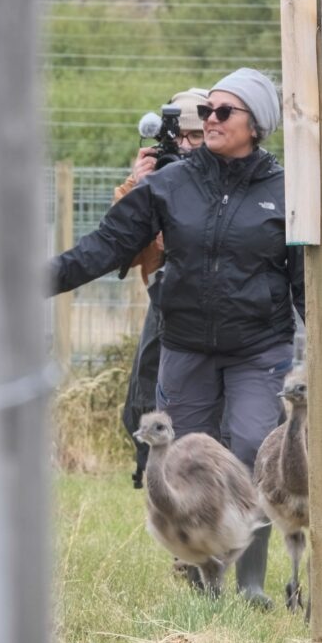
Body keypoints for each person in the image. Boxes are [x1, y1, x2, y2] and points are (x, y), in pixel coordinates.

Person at [51, 69, 303, 607]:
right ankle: (201, 579)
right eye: (206, 111)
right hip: (185, 343)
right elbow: (106, 245)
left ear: (256, 125)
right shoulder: (171, 184)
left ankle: (251, 584)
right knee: (184, 460)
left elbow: (304, 279)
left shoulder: (286, 191)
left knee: (252, 447)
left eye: (223, 112)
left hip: (259, 346)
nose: (208, 120)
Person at [114, 88, 211, 491]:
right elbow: (124, 251)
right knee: (143, 400)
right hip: (165, 302)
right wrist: (138, 189)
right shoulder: (157, 178)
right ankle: (162, 486)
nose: (186, 147)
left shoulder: (229, 176)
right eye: (179, 138)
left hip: (222, 307)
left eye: (196, 137)